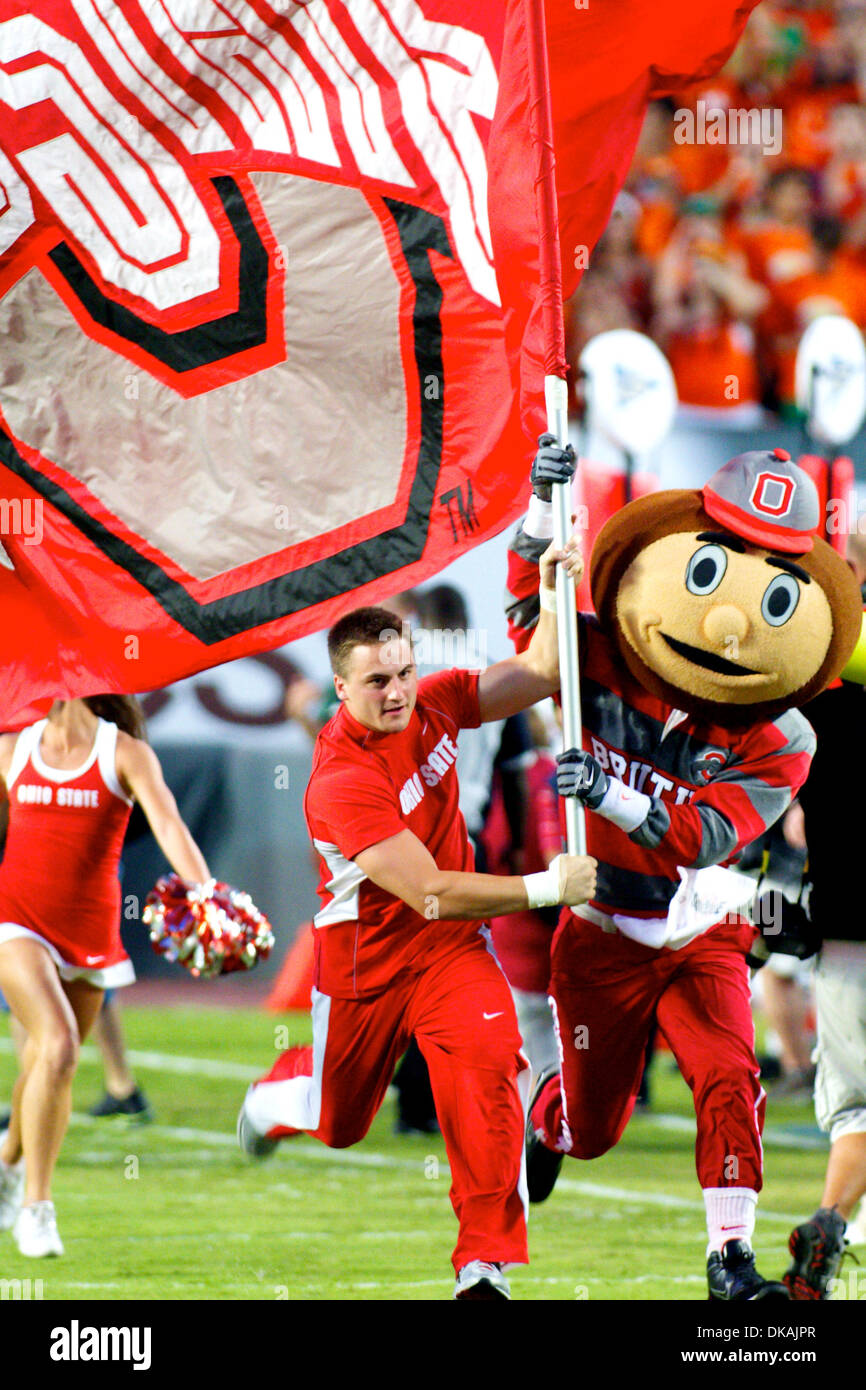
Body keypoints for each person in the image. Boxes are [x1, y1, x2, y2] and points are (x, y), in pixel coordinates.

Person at [508, 439, 861, 1300]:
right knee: (593, 1128)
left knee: (726, 1077)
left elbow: (704, 837)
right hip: (601, 929)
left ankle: (730, 1261)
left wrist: (612, 795)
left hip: (703, 921)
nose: (733, 620)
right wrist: (536, 509)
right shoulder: (605, 656)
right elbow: (532, 619)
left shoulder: (786, 731)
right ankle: (547, 1120)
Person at [237, 557, 598, 1301]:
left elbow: (539, 671)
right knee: (340, 1122)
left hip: (447, 954)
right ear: (341, 689)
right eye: (377, 681)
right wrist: (545, 887)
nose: (397, 691)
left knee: (492, 1064)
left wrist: (557, 585)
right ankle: (278, 1098)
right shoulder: (341, 779)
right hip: (367, 962)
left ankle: (484, 1264)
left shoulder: (432, 700)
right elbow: (429, 892)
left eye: (403, 672)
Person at [0, 696, 209, 1257]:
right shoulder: (12, 748)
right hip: (15, 924)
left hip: (90, 938)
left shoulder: (126, 753)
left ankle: (7, 1166)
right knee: (60, 1046)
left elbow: (169, 823)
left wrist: (208, 893)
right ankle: (36, 1210)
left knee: (46, 1066)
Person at [782, 533, 866, 1298]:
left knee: (852, 1104)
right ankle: (838, 1227)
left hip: (843, 928)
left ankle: (832, 1228)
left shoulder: (814, 699)